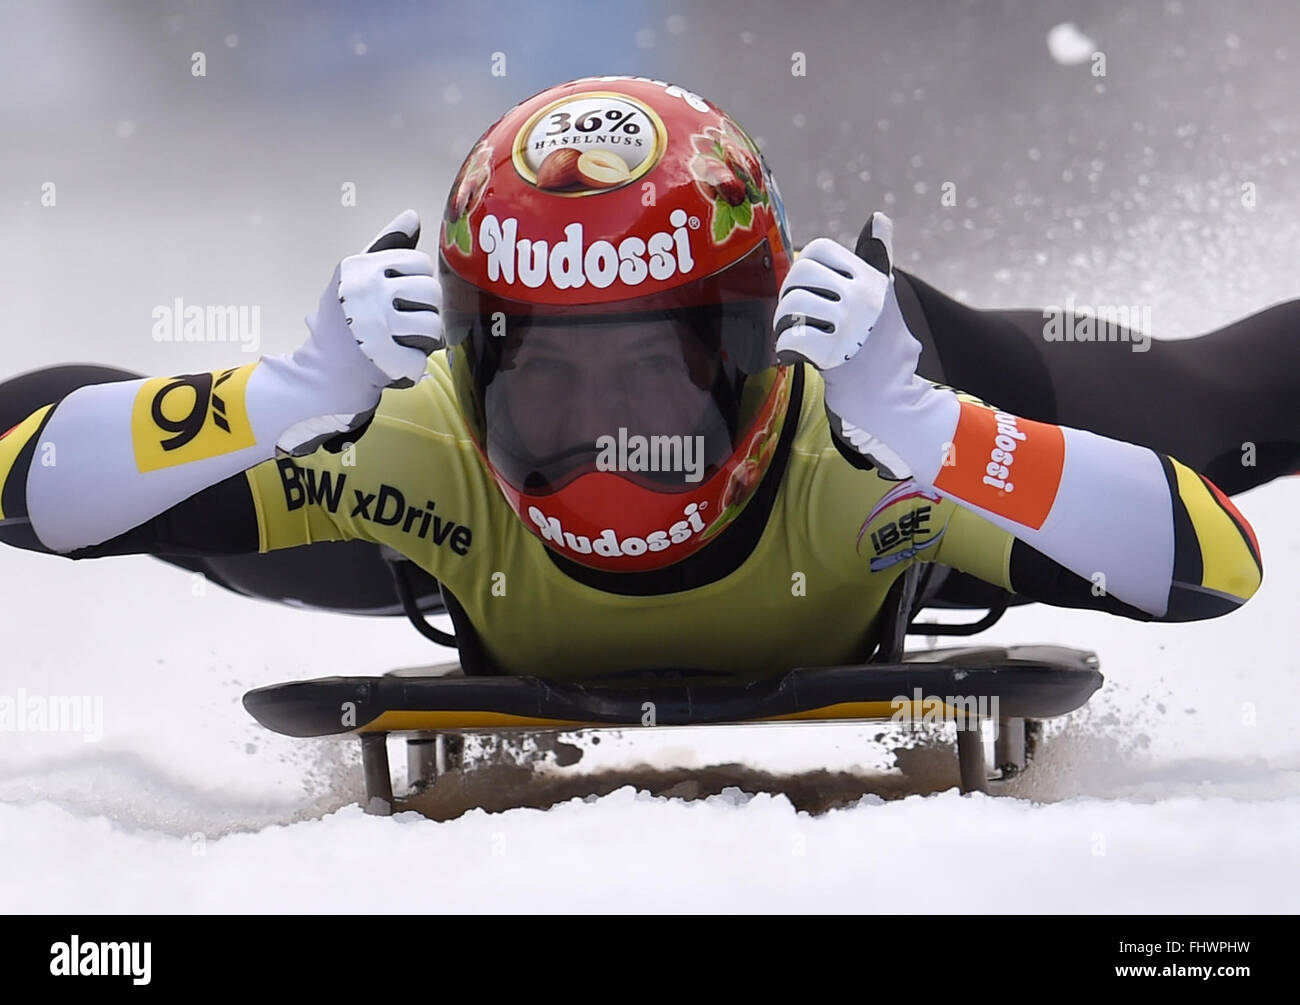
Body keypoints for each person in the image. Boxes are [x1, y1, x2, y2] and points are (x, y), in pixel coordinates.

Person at [0, 76, 1284, 681]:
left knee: (1231, 401)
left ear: (757, 346)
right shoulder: (402, 443)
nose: (613, 438)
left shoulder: (875, 436)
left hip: (931, 413)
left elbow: (1210, 560)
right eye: (550, 373)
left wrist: (933, 426)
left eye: (653, 369)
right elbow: (18, 457)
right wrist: (276, 401)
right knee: (187, 508)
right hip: (459, 544)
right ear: (467, 359)